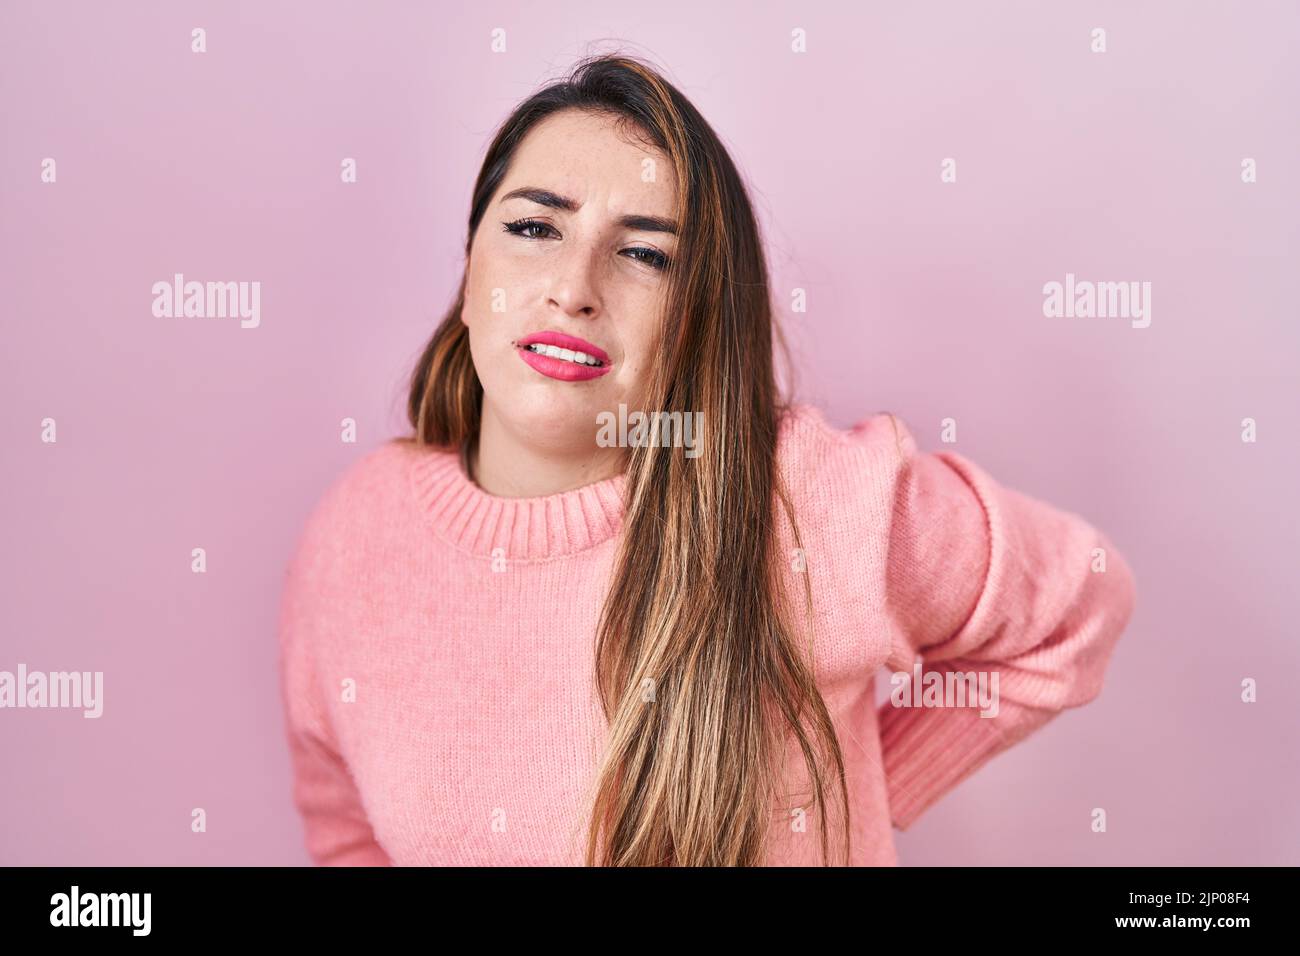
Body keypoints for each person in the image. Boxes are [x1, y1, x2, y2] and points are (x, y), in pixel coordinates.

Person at [277, 53, 1137, 867]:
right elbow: (345, 826)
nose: (574, 288)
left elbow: (1079, 601)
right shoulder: (357, 533)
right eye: (535, 227)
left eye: (645, 254)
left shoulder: (808, 504)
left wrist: (864, 793)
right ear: (470, 274)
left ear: (697, 319)